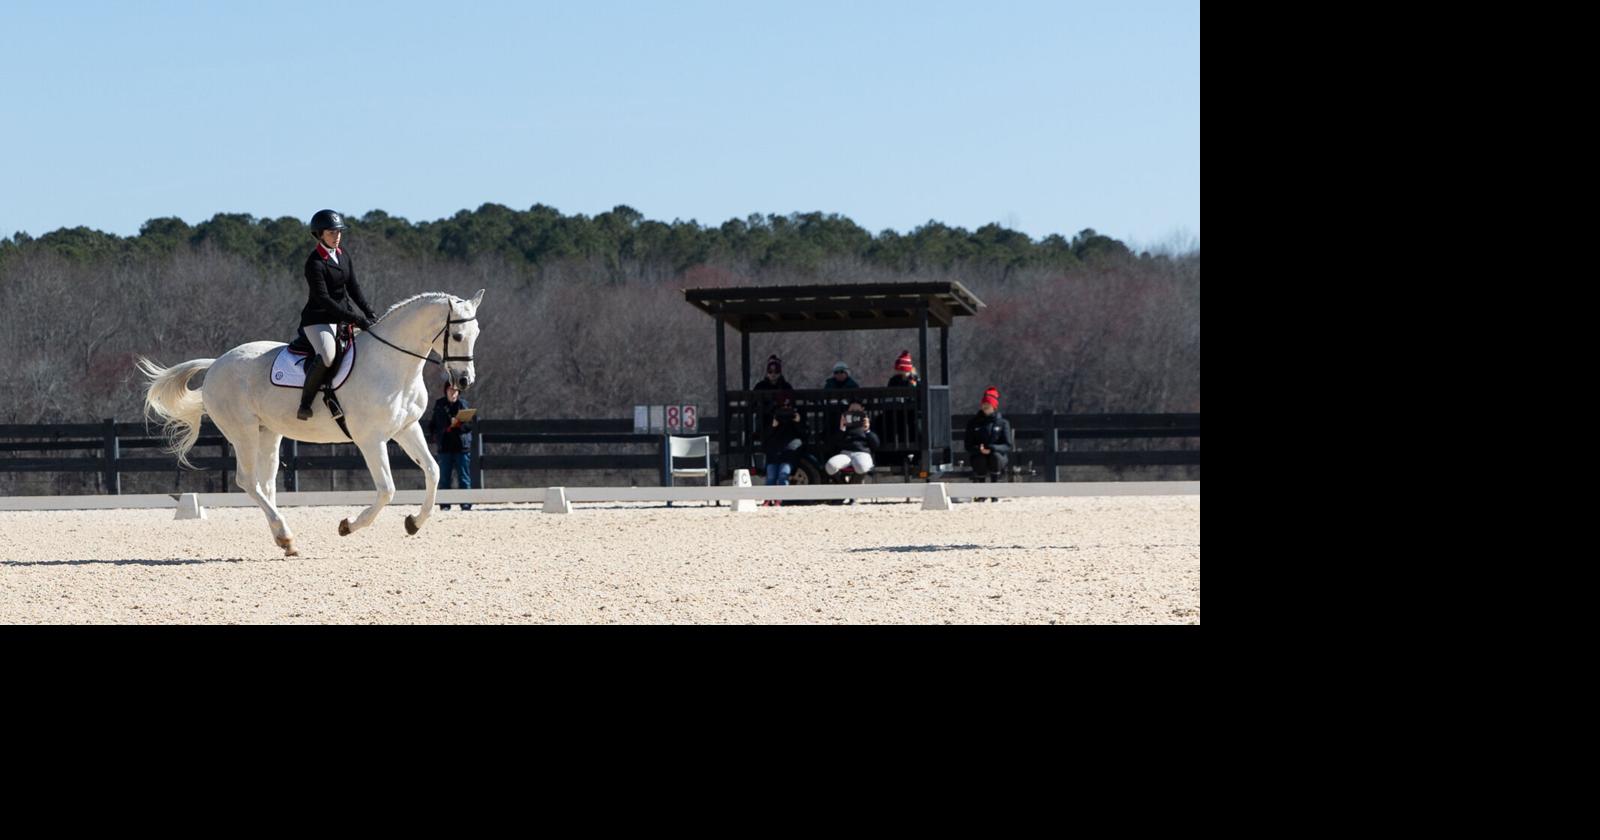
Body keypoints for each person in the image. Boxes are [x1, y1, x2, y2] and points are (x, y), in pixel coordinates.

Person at [298, 209, 378, 420]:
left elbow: (354, 288)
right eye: (332, 232)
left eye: (339, 232)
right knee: (328, 356)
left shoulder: (343, 256)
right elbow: (324, 299)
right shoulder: (314, 262)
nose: (337, 236)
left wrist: (369, 313)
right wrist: (355, 319)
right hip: (318, 319)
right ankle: (306, 403)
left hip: (343, 317)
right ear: (320, 234)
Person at [429, 380, 476, 510]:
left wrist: (458, 424)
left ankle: (465, 503)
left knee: (464, 478)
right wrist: (438, 434)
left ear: (458, 392)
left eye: (455, 390)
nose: (453, 392)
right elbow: (434, 424)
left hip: (462, 447)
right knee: (444, 477)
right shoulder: (439, 405)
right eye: (450, 390)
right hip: (445, 447)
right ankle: (445, 504)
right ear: (446, 391)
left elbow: (470, 426)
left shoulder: (464, 405)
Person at [964, 387, 1013, 502]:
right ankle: (982, 493)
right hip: (979, 455)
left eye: (988, 405)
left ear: (994, 406)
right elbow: (968, 445)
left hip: (997, 456)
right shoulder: (973, 423)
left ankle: (994, 492)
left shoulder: (1002, 423)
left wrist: (992, 448)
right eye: (984, 404)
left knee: (994, 457)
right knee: (980, 459)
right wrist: (978, 449)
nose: (985, 407)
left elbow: (1007, 445)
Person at [761, 392, 807, 506]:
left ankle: (780, 499)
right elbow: (764, 436)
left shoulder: (797, 417)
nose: (785, 410)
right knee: (771, 475)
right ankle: (767, 499)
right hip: (774, 451)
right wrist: (773, 426)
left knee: (783, 473)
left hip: (789, 452)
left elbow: (804, 434)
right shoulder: (772, 417)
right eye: (782, 407)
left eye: (788, 407)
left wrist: (797, 422)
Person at [825, 401, 879, 499]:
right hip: (845, 453)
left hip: (862, 452)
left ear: (863, 410)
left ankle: (852, 495)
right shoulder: (844, 425)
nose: (855, 412)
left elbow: (876, 444)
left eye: (857, 410)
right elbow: (833, 443)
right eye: (852, 410)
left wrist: (867, 430)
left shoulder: (868, 422)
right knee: (830, 466)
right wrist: (842, 428)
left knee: (862, 467)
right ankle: (846, 491)